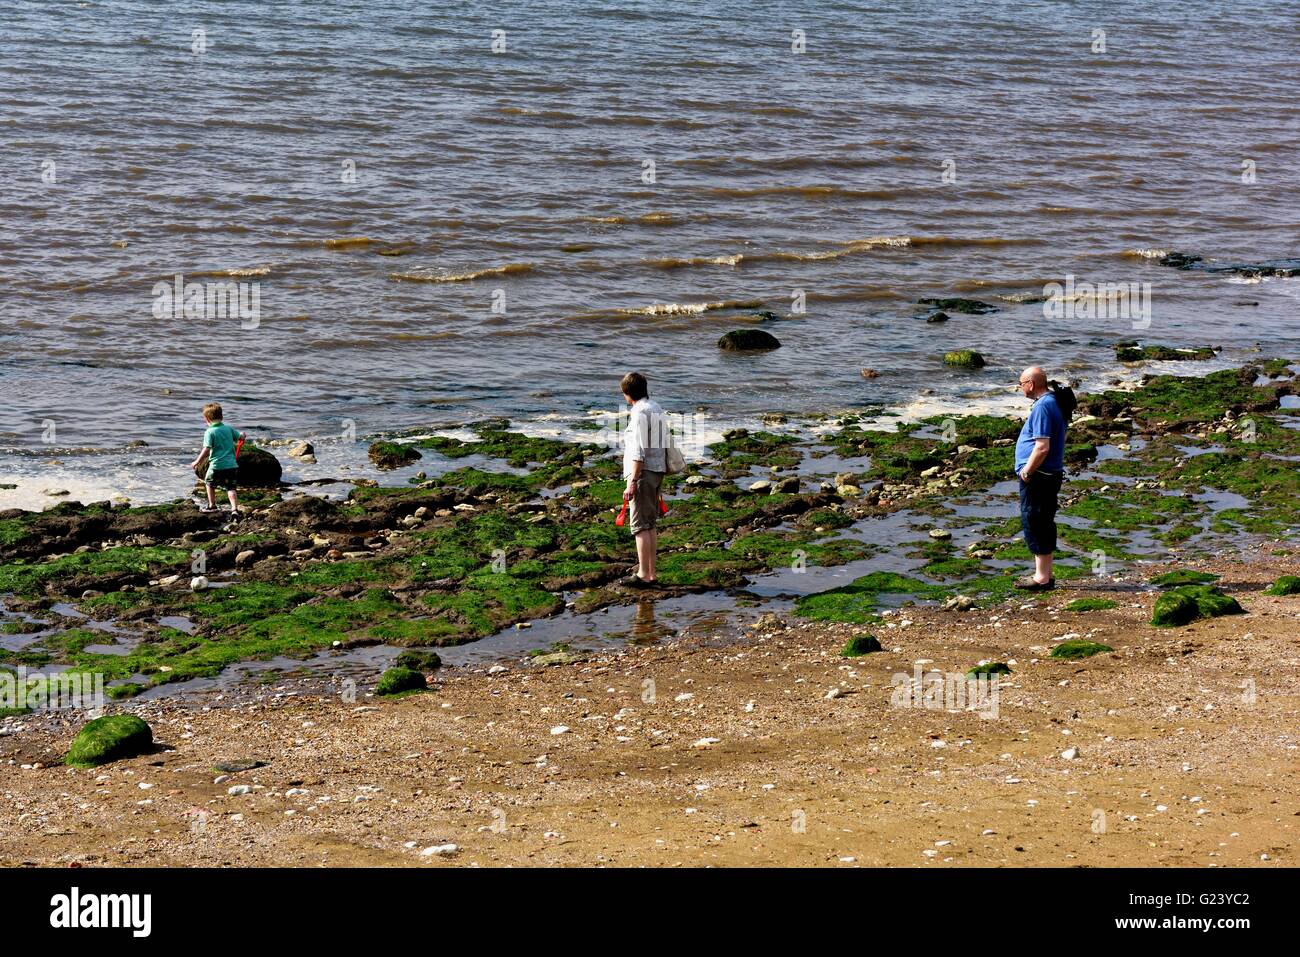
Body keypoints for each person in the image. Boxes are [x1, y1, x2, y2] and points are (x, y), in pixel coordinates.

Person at [1013, 367, 1066, 590]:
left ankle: (1042, 578)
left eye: (1021, 383)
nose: (1020, 387)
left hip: (1039, 475)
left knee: (1035, 521)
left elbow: (1042, 447)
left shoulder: (1044, 406)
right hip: (1048, 474)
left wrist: (1027, 471)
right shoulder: (1052, 401)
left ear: (1031, 384)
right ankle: (1044, 574)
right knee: (1042, 521)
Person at [619, 371, 667, 588]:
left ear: (628, 393)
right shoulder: (655, 407)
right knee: (649, 524)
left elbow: (638, 452)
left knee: (639, 526)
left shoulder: (638, 413)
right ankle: (651, 573)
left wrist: (632, 482)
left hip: (643, 473)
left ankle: (643, 575)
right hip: (657, 470)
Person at [191, 402, 244, 518]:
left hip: (217, 465)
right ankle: (234, 509)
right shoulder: (228, 429)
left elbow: (206, 449)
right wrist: (242, 435)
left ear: (206, 419)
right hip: (231, 465)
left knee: (209, 483)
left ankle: (212, 505)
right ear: (222, 417)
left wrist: (197, 461)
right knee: (231, 488)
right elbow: (240, 437)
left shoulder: (210, 432)